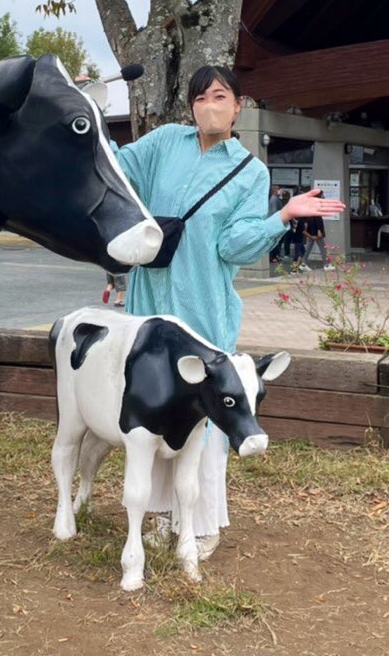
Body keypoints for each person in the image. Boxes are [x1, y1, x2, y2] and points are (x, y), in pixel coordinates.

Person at [114, 66, 344, 559]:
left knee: (205, 422)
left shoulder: (249, 171)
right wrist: (82, 115)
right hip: (148, 308)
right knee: (155, 411)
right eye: (200, 98)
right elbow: (115, 166)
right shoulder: (164, 143)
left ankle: (201, 521)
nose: (208, 107)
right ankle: (161, 512)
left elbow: (233, 247)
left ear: (239, 105)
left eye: (219, 96)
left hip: (203, 313)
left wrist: (281, 218)